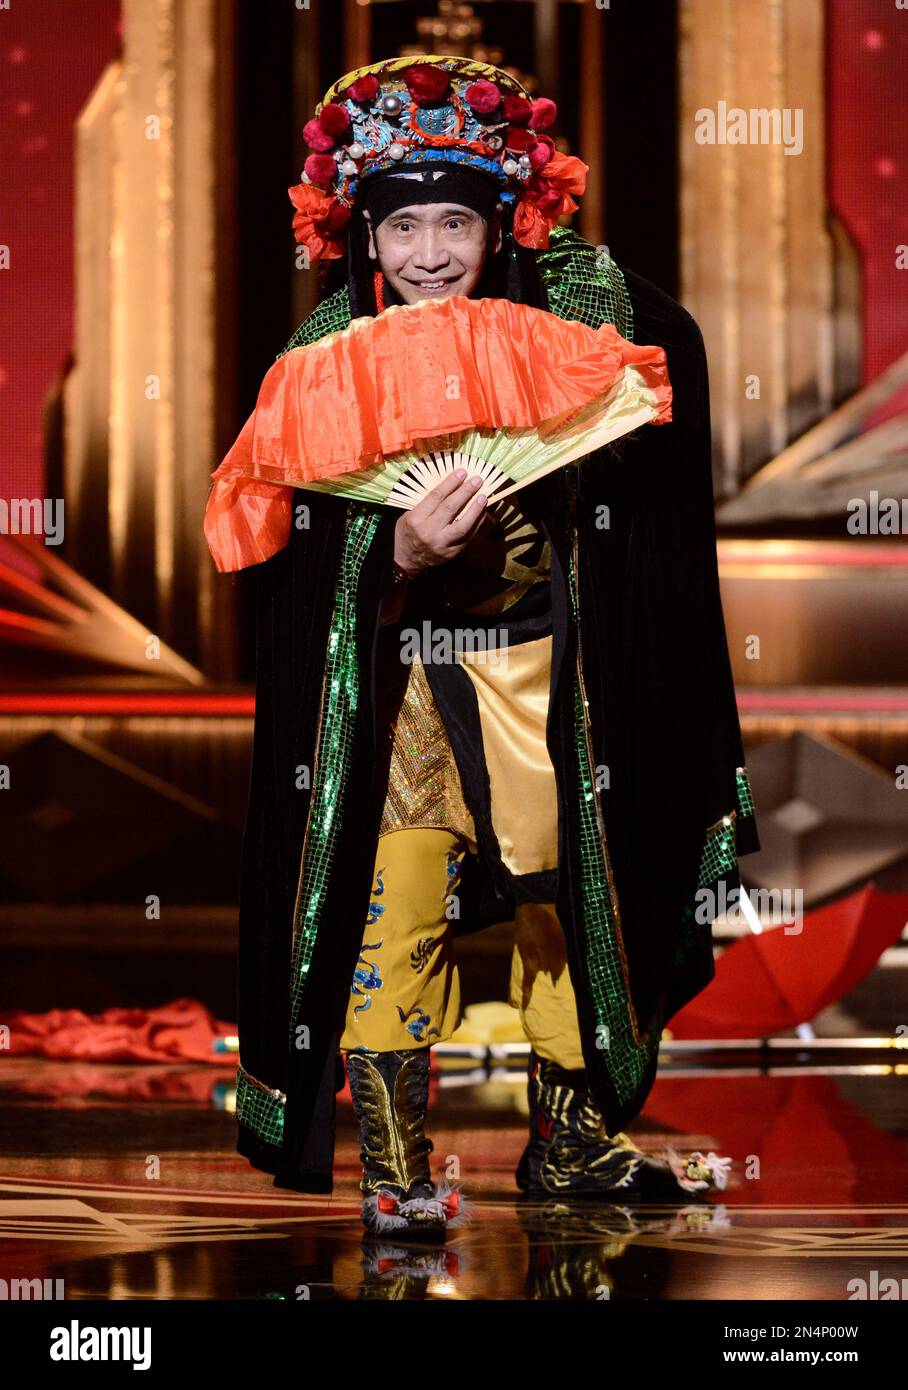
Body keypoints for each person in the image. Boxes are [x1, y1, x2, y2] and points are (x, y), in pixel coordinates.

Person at [204, 55, 759, 1241]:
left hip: (543, 673)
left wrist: (583, 293)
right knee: (393, 904)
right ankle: (398, 1171)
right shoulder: (321, 355)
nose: (428, 255)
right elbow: (285, 571)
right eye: (401, 225)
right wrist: (388, 551)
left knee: (566, 903)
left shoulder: (569, 319)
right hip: (403, 684)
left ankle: (572, 1141)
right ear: (362, 235)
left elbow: (660, 391)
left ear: (499, 223)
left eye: (455, 221)